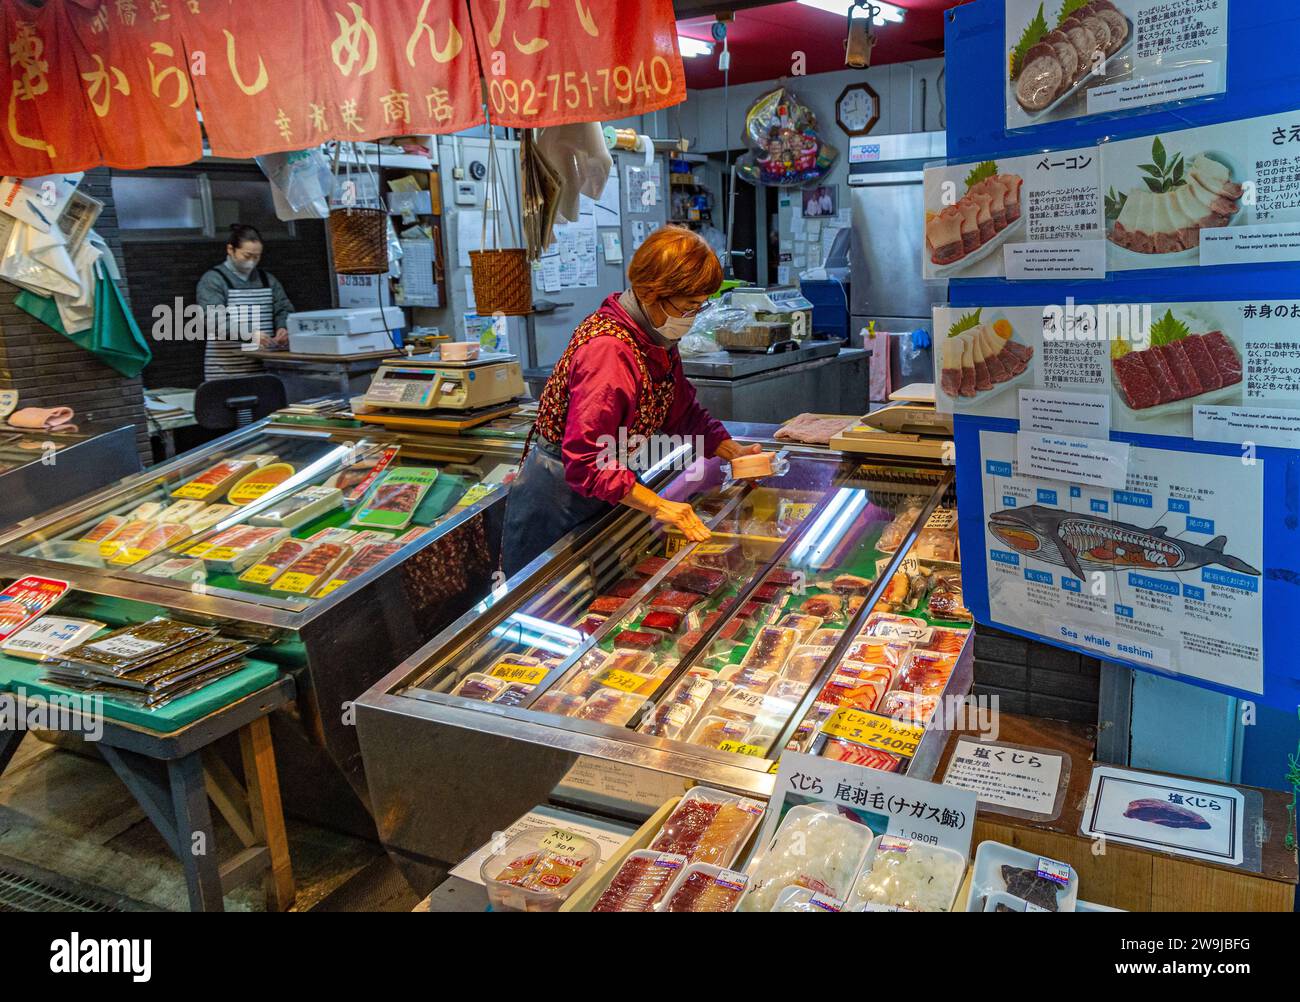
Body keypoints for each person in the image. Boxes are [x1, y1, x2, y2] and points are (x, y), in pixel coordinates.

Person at [502, 225, 761, 576]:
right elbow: (586, 463)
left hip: (611, 484)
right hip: (559, 495)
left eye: (699, 307)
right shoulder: (609, 352)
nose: (692, 318)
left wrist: (730, 450)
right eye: (687, 307)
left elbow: (681, 411)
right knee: (551, 600)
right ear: (649, 292)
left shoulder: (654, 339)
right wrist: (660, 506)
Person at [196, 224, 294, 380]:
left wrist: (284, 327)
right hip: (225, 370)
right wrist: (251, 334)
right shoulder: (213, 280)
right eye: (247, 256)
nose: (252, 262)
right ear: (230, 250)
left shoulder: (267, 279)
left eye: (257, 257)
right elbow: (214, 321)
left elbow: (284, 308)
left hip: (264, 369)